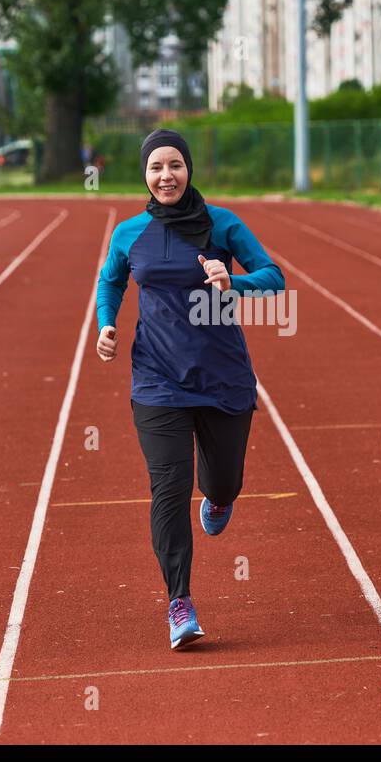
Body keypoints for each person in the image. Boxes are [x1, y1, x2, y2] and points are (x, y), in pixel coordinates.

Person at [95, 128, 284, 649]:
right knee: (169, 490)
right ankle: (179, 602)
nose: (166, 176)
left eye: (175, 165)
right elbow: (110, 280)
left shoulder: (222, 224)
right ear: (145, 176)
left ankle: (220, 497)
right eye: (156, 167)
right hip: (157, 381)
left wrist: (234, 283)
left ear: (188, 169)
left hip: (223, 376)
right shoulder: (131, 233)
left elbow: (275, 278)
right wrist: (106, 323)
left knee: (223, 481)